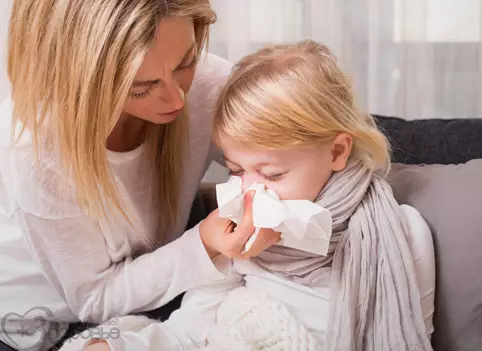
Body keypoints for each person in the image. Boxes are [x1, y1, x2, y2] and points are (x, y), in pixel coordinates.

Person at [70, 40, 436, 351]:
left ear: (337, 152)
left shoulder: (399, 233)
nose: (251, 189)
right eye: (235, 170)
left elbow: (407, 332)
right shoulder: (239, 225)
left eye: (273, 174)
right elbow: (193, 329)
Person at [0, 1, 280, 350]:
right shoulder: (35, 150)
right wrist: (205, 244)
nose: (176, 98)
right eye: (140, 87)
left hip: (153, 284)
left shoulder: (208, 85)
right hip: (39, 325)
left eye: (186, 63)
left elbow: (301, 149)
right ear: (80, 79)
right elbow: (95, 299)